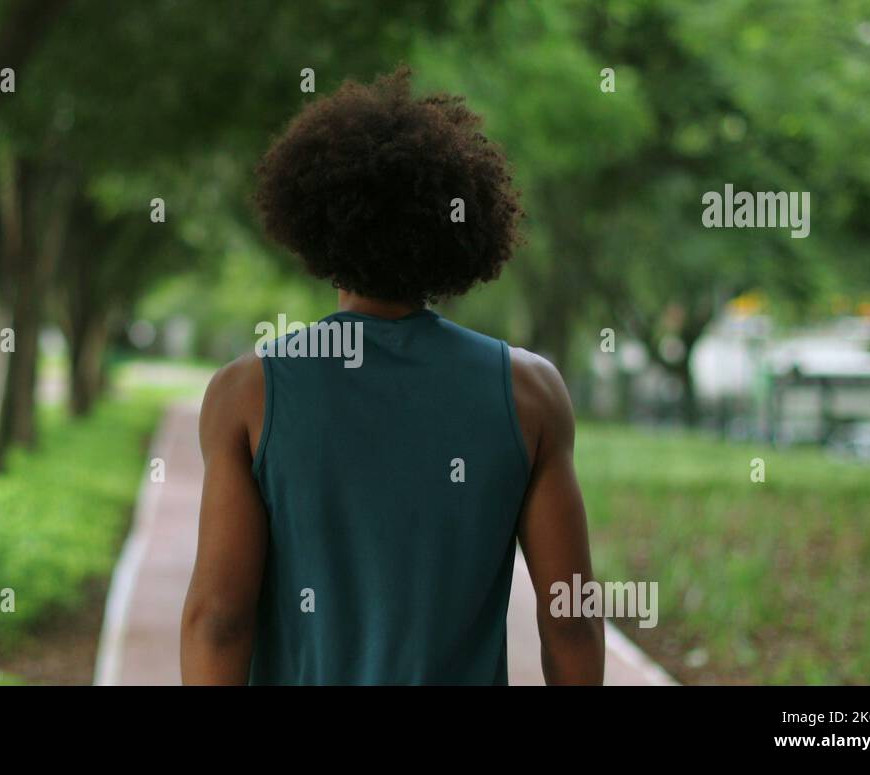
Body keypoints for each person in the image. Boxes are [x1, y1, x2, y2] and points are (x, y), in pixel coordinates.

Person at [180, 67, 603, 685]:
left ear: (317, 225)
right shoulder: (529, 392)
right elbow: (571, 618)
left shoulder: (249, 393)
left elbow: (218, 617)